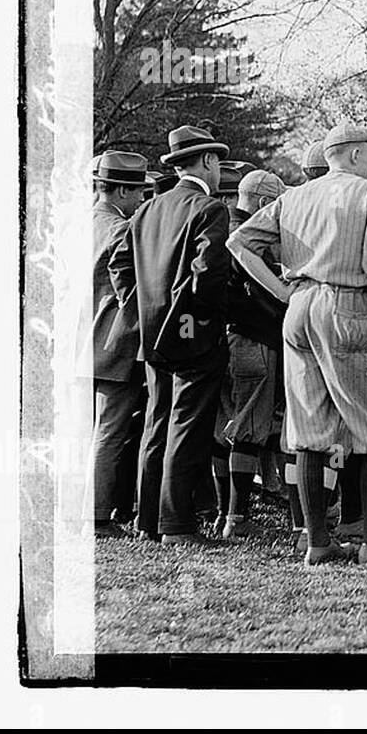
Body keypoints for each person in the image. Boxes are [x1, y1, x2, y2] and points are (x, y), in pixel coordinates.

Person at [228, 121, 367, 566]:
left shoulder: (293, 196)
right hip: (348, 307)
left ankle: (316, 542)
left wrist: (282, 292)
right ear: (354, 154)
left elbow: (239, 242)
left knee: (308, 431)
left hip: (299, 309)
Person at [109, 126, 233, 546]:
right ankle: (176, 524)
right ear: (209, 161)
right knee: (187, 427)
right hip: (195, 333)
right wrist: (203, 315)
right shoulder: (209, 209)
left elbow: (120, 265)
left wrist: (142, 306)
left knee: (157, 423)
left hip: (152, 334)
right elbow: (209, 272)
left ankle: (148, 520)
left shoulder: (147, 209)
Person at [212, 169, 286, 540]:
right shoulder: (251, 240)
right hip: (254, 339)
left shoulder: (218, 229)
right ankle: (236, 518)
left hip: (222, 341)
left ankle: (222, 513)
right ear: (264, 203)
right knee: (249, 430)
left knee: (223, 428)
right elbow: (267, 296)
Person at [89, 151, 150, 537]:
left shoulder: (78, 222)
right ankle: (96, 515)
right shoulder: (122, 230)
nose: (142, 199)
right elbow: (132, 291)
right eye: (138, 192)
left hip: (78, 341)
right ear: (123, 191)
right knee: (110, 431)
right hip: (113, 341)